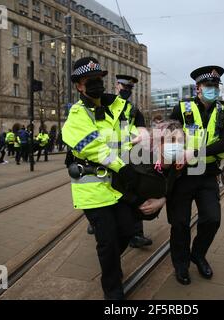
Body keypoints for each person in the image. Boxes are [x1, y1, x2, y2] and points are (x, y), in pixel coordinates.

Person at [62, 57, 141, 300]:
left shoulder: (120, 107)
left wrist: (139, 142)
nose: (96, 85)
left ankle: (112, 266)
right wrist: (122, 166)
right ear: (79, 86)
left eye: (98, 80)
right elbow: (93, 148)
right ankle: (113, 290)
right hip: (94, 189)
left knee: (128, 231)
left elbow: (131, 136)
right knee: (106, 242)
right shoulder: (76, 115)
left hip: (119, 185)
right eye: (89, 81)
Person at [168, 65, 224, 285]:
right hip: (182, 176)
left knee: (212, 219)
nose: (213, 90)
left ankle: (198, 254)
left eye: (216, 86)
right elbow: (168, 137)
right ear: (198, 88)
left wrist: (195, 152)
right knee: (180, 224)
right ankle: (181, 265)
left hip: (208, 174)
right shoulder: (181, 108)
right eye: (209, 86)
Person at [113, 73, 153, 249]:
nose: (127, 90)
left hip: (130, 158)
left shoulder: (134, 110)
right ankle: (96, 222)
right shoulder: (105, 105)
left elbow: (142, 133)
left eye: (129, 88)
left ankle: (136, 234)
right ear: (116, 86)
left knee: (136, 192)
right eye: (124, 87)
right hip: (107, 158)